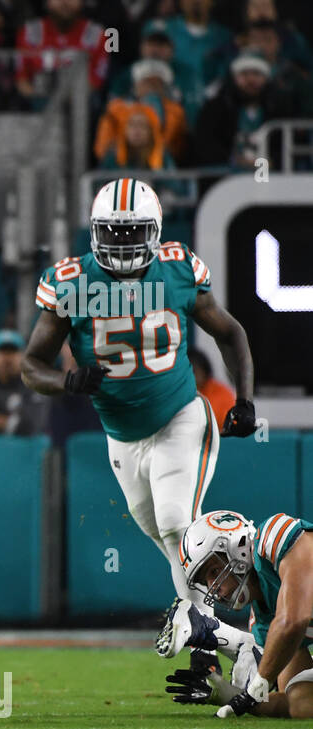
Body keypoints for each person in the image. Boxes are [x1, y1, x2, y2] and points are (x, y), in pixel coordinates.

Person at [23, 178, 256, 608]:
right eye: (114, 230)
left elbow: (230, 332)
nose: (124, 240)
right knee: (173, 542)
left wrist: (243, 399)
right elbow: (30, 366)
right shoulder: (70, 282)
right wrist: (67, 381)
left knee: (173, 522)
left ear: (155, 229)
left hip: (180, 415)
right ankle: (234, 626)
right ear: (95, 230)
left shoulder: (178, 268)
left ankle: (207, 637)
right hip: (122, 437)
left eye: (133, 230)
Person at [159, 509, 313, 719]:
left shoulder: (274, 536)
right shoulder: (263, 622)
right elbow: (296, 702)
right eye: (206, 582)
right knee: (302, 702)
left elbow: (293, 620)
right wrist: (232, 696)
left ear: (237, 546)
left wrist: (260, 683)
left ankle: (209, 627)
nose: (214, 588)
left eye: (214, 572)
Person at [15, 0, 110, 105]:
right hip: (38, 104)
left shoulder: (97, 35)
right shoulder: (29, 33)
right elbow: (22, 80)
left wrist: (64, 101)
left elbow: (95, 82)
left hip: (81, 105)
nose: (65, 2)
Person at [188, 346, 235, 425]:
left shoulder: (220, 393)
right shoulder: (178, 391)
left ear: (204, 371)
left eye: (194, 371)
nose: (189, 375)